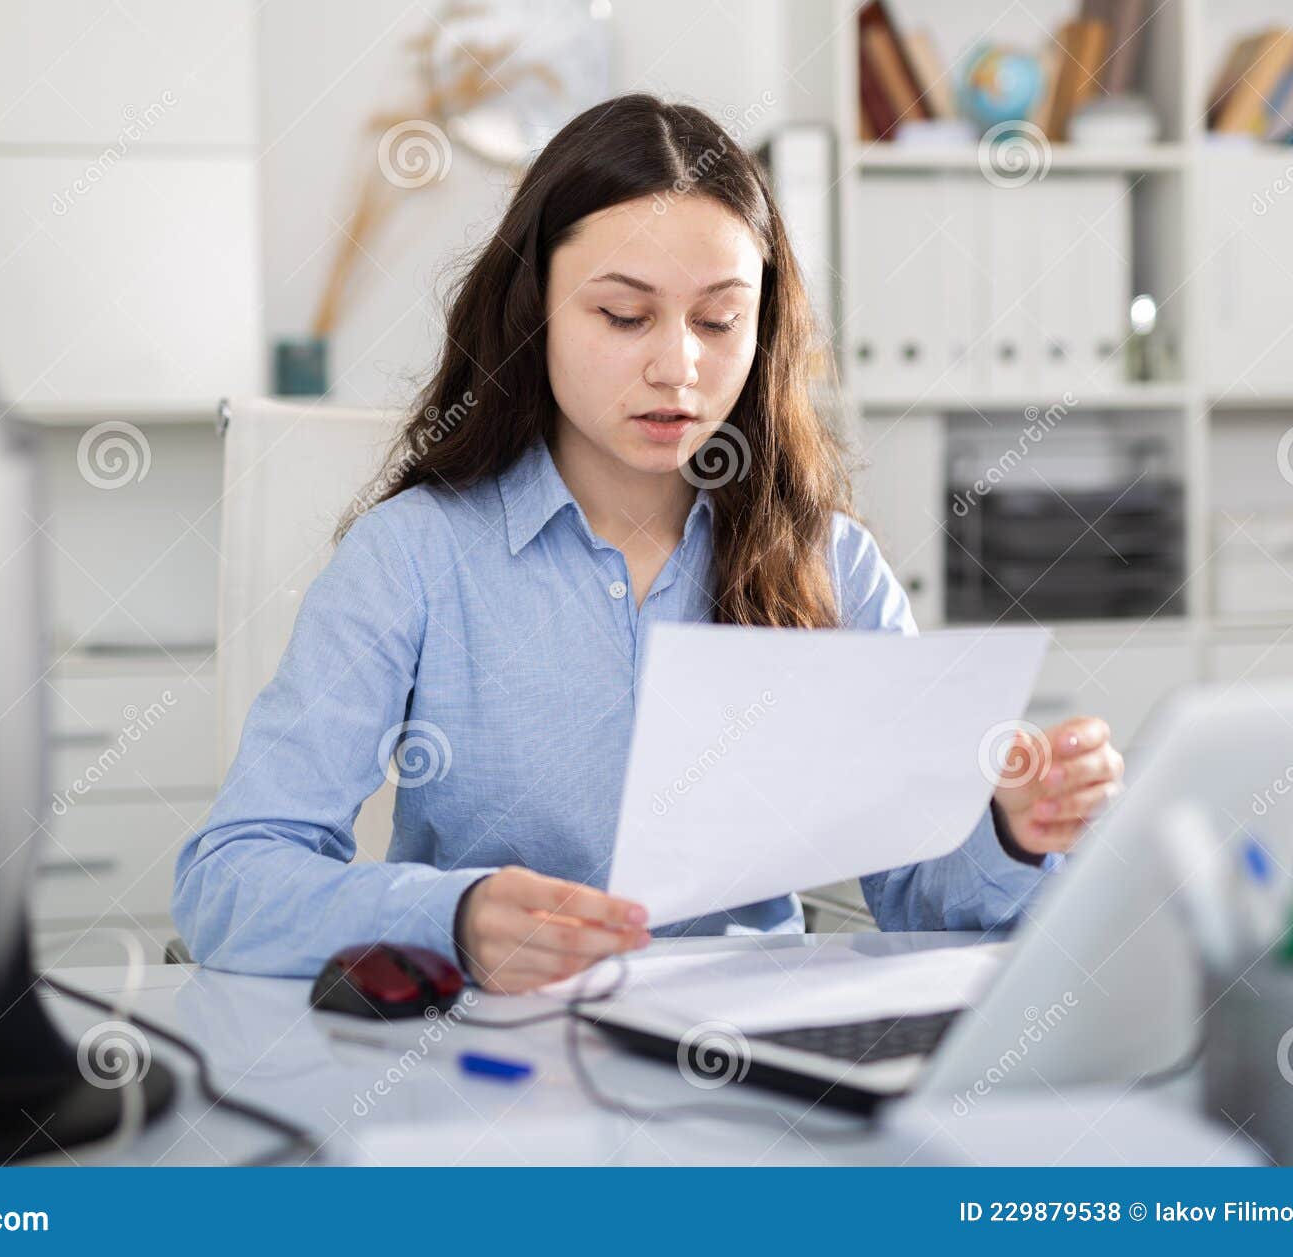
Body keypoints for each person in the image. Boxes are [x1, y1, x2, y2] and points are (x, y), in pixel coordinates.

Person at [172, 93, 1124, 994]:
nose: (680, 367)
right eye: (623, 316)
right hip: (497, 1072)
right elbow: (230, 880)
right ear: (532, 307)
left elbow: (923, 903)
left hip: (755, 1078)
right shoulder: (413, 558)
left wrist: (1010, 830)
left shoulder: (832, 564)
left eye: (720, 320)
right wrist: (452, 916)